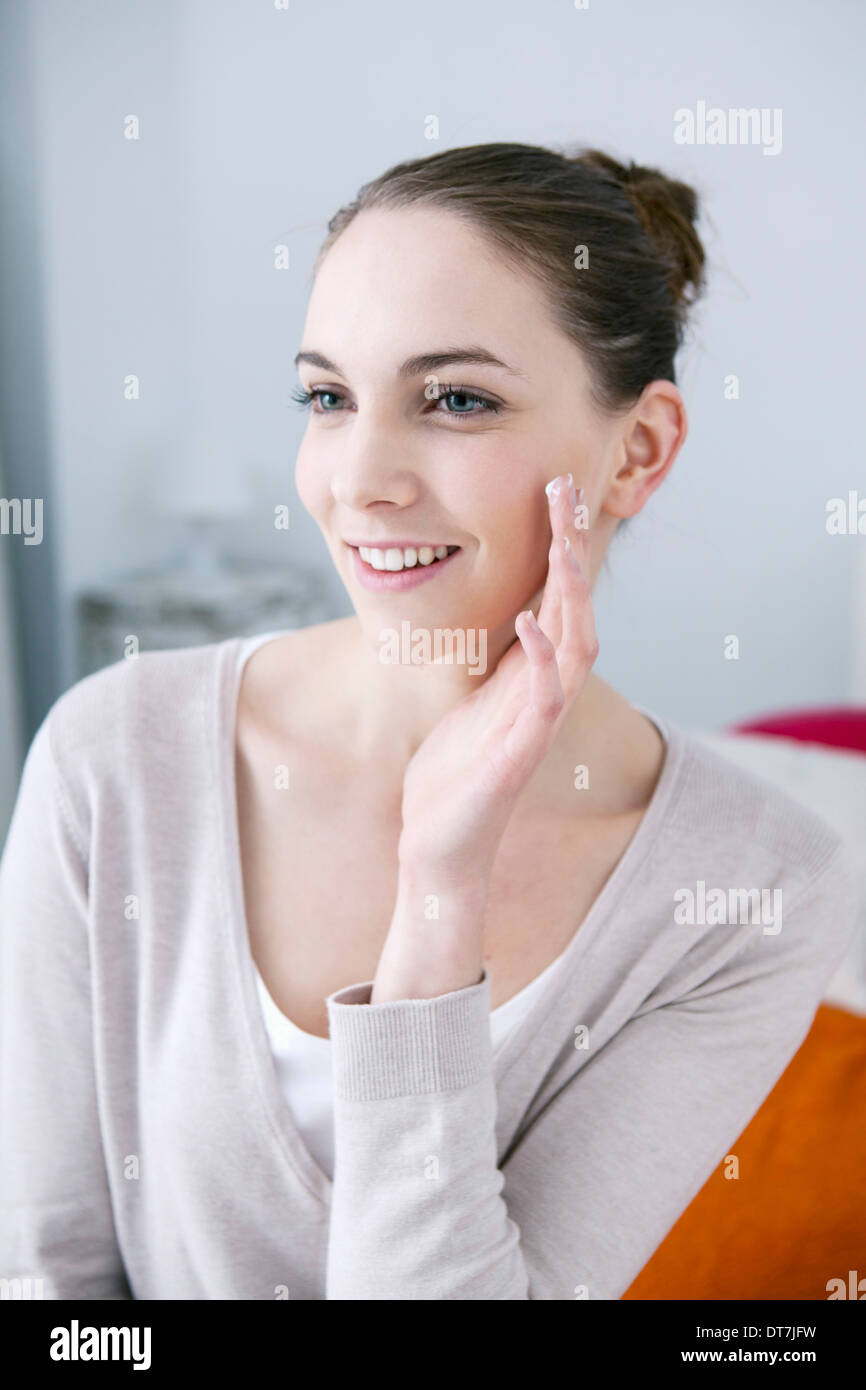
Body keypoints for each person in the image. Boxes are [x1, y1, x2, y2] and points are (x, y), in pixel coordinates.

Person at [0, 143, 857, 1301]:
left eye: (455, 400)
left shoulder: (755, 884)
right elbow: (43, 1278)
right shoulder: (111, 754)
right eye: (327, 398)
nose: (360, 479)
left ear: (638, 450)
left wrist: (439, 886)